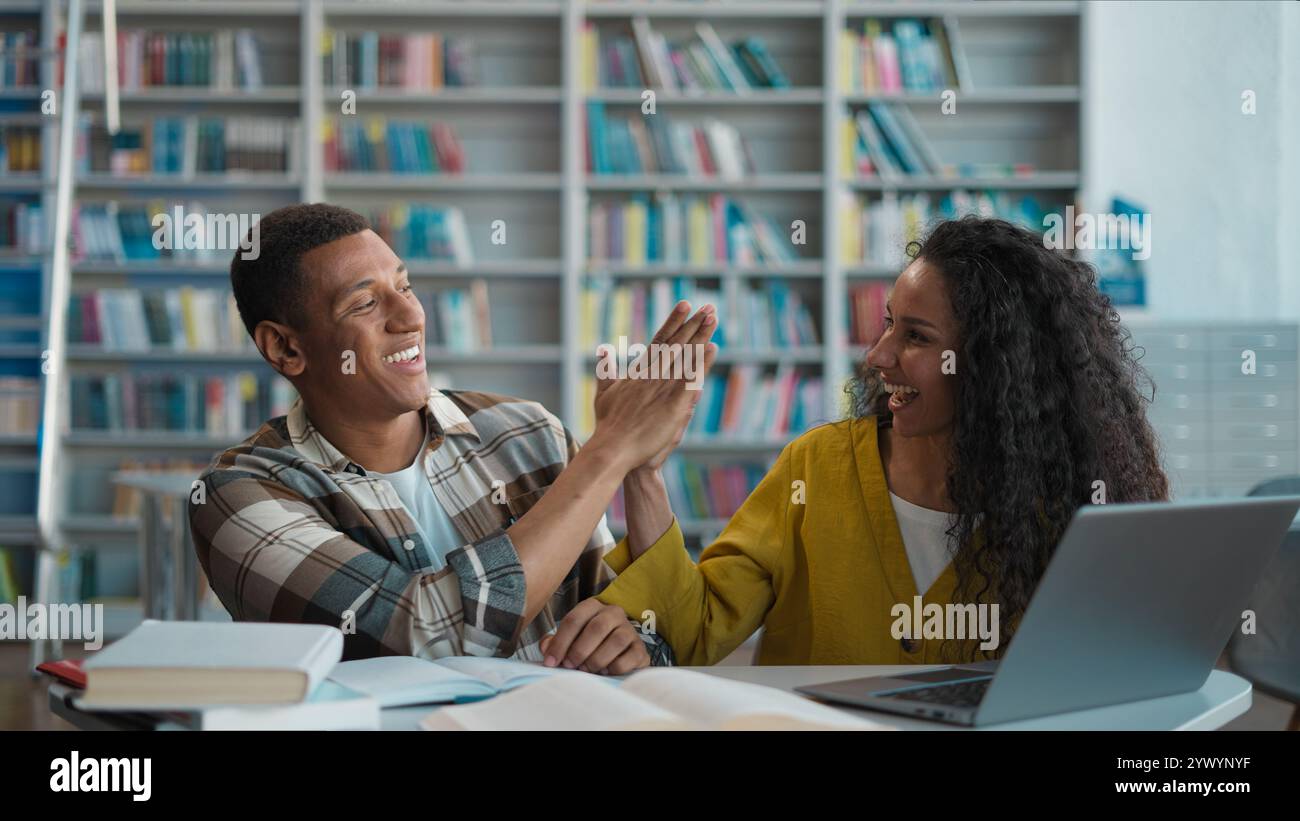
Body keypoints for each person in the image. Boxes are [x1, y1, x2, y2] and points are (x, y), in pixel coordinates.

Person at [542, 215, 1170, 668]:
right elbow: (696, 627)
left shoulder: (1065, 502)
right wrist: (640, 469)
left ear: (995, 366)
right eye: (889, 323)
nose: (878, 355)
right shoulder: (817, 467)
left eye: (916, 337)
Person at [189, 203, 717, 672]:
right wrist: (611, 450)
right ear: (284, 349)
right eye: (364, 304)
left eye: (404, 286)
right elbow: (424, 635)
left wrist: (635, 640)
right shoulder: (237, 496)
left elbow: (629, 617)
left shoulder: (529, 432)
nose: (411, 316)